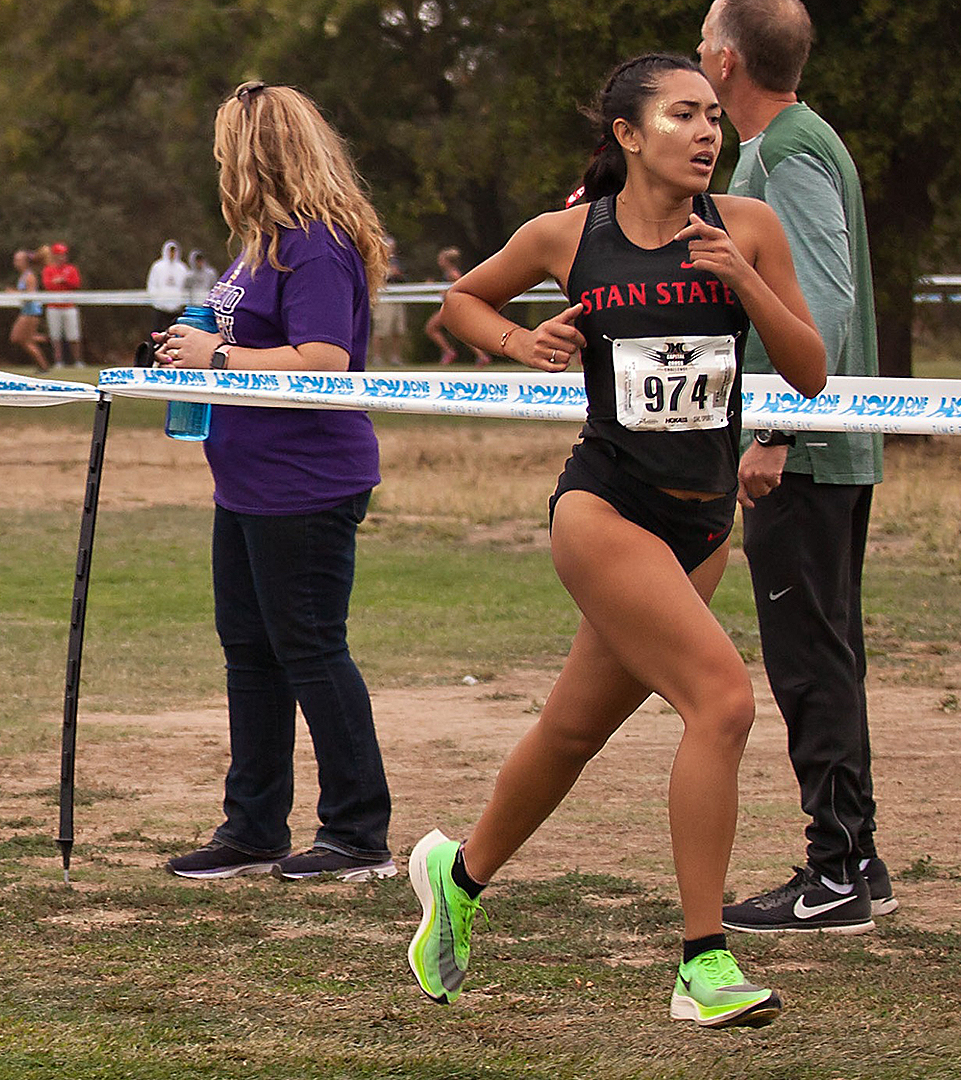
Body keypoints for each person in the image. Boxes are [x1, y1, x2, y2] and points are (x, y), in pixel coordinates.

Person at [407, 53, 826, 1029]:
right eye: (684, 114)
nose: (709, 130)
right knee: (721, 702)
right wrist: (523, 342)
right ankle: (703, 963)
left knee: (573, 730)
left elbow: (807, 373)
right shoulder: (569, 236)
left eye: (716, 115)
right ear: (630, 137)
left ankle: (456, 881)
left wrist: (746, 287)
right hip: (603, 509)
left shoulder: (749, 230)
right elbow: (460, 302)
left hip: (703, 522)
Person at [152, 81, 398, 888]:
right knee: (250, 653)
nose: (218, 159)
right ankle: (253, 825)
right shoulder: (259, 245)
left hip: (306, 480)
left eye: (227, 143)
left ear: (255, 152)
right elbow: (251, 340)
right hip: (247, 483)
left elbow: (325, 360)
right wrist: (194, 342)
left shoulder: (315, 244)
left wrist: (218, 359)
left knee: (312, 649)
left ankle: (357, 832)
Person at [697, 0, 894, 940]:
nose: (696, 51)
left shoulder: (786, 153)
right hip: (822, 442)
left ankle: (836, 869)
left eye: (703, 38)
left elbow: (822, 302)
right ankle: (858, 858)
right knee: (826, 651)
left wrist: (772, 427)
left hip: (808, 450)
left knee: (809, 659)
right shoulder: (780, 147)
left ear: (726, 63)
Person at [423, 247, 489, 366]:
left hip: (452, 307)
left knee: (431, 328)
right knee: (462, 333)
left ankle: (449, 352)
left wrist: (435, 288)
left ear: (447, 261)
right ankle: (480, 356)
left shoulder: (453, 274)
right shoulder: (448, 274)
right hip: (451, 306)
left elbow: (457, 289)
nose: (439, 261)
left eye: (441, 259)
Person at [41, 241, 83, 368]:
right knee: (55, 336)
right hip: (53, 307)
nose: (62, 257)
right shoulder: (48, 270)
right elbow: (48, 285)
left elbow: (76, 283)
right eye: (59, 254)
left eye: (64, 254)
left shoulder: (71, 269)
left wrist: (63, 280)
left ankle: (77, 361)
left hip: (69, 306)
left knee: (74, 335)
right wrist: (59, 282)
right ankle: (58, 361)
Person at [8, 248, 50, 370]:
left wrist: (13, 293)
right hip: (26, 311)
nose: (15, 262)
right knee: (18, 338)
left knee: (23, 340)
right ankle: (43, 338)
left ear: (25, 262)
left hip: (31, 312)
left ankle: (43, 366)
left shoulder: (29, 276)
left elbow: (29, 296)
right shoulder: (23, 276)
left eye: (18, 260)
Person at [370, 234, 407, 366]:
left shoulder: (397, 262)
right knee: (380, 330)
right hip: (383, 299)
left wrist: (399, 275)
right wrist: (388, 274)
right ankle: (377, 357)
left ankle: (395, 357)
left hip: (397, 298)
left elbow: (404, 279)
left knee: (398, 330)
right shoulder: (376, 260)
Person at [146, 239, 187, 337]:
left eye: (174, 251)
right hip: (160, 307)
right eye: (170, 251)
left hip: (177, 308)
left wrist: (181, 302)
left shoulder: (182, 268)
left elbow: (185, 287)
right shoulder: (157, 267)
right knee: (157, 334)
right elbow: (152, 284)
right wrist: (156, 301)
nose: (172, 254)